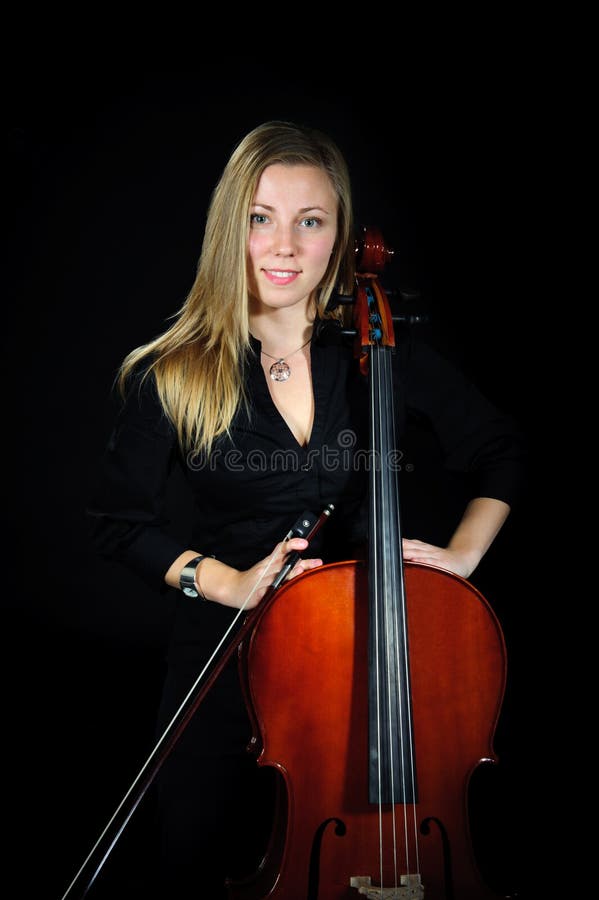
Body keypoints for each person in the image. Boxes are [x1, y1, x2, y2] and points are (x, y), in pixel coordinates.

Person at [87, 120, 525, 898]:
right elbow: (119, 524)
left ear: (341, 238)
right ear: (231, 230)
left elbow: (500, 449)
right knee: (197, 860)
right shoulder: (172, 374)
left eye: (310, 220)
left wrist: (462, 557)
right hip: (225, 667)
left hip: (370, 665)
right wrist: (227, 582)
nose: (285, 245)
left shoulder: (382, 350)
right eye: (261, 218)